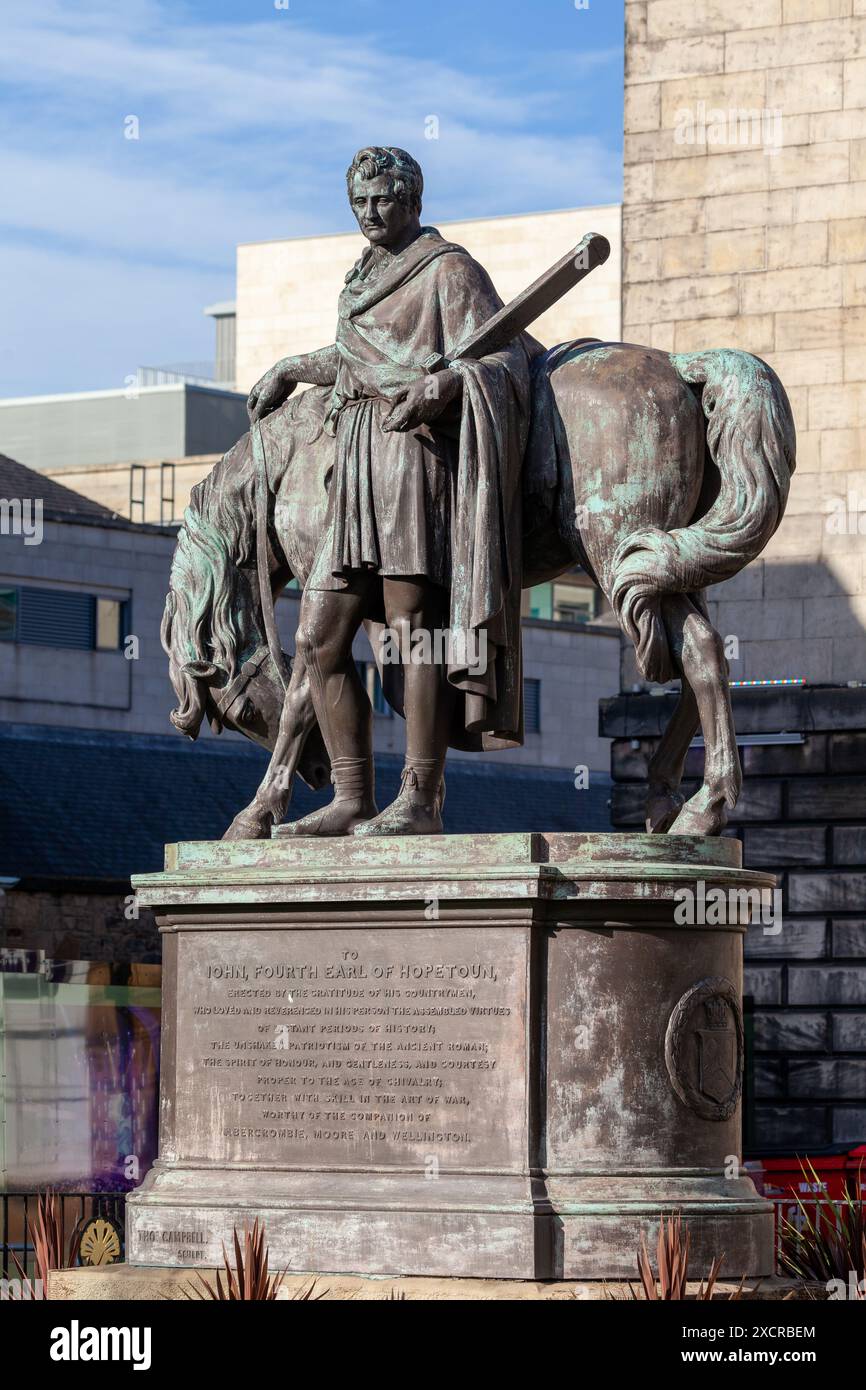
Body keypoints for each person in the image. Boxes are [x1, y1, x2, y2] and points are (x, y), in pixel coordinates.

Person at [247, 147, 534, 836]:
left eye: (383, 200)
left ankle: (420, 800)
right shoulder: (360, 278)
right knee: (318, 641)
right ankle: (352, 796)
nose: (371, 214)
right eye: (360, 203)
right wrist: (294, 368)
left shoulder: (448, 269)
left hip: (416, 459)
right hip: (357, 459)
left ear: (413, 201)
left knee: (413, 636)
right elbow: (353, 360)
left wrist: (445, 385)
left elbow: (507, 356)